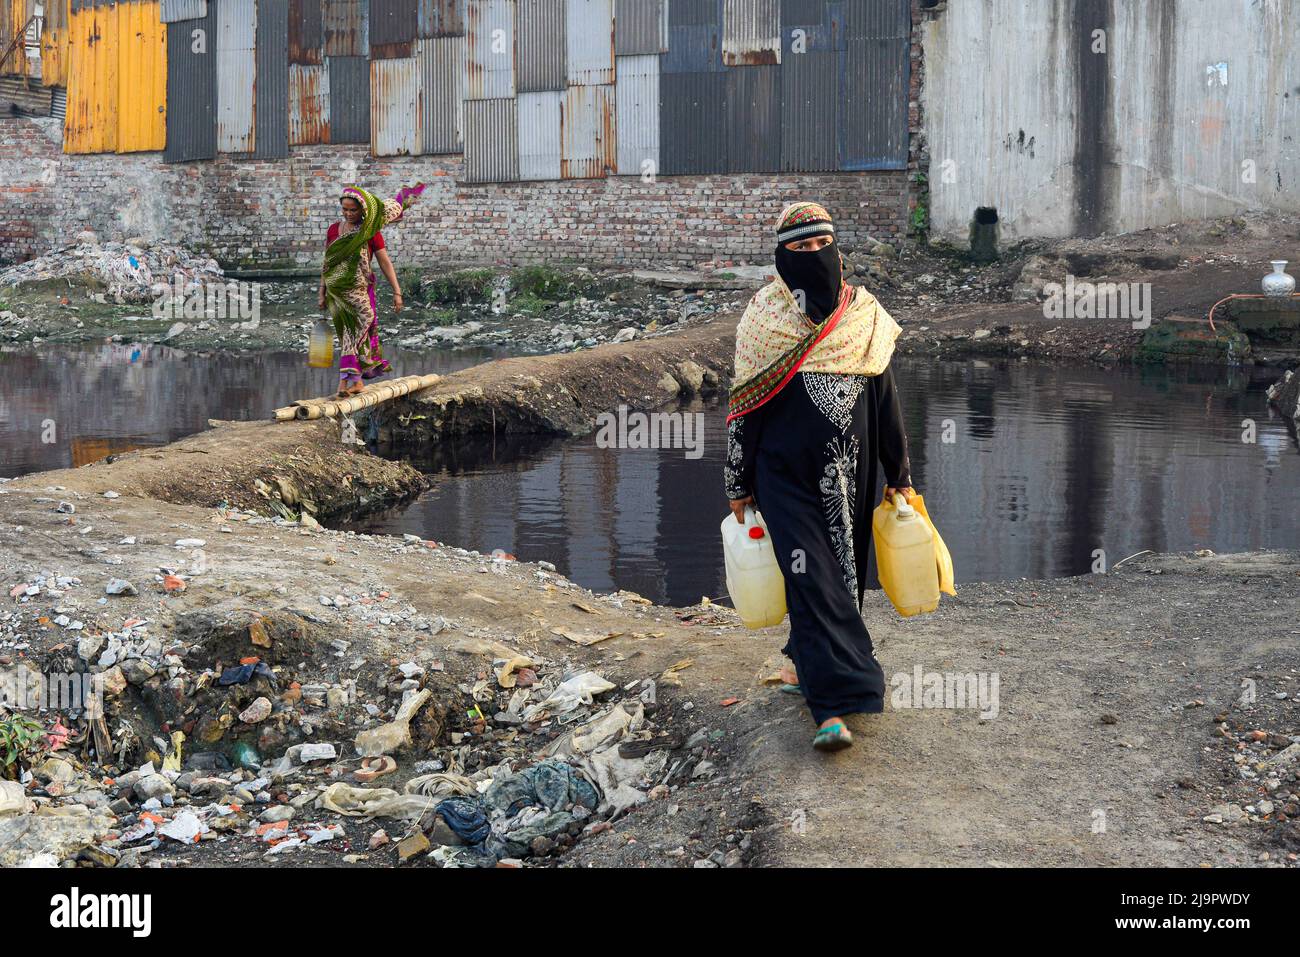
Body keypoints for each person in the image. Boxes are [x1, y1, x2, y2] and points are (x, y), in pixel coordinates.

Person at [724, 202, 916, 753]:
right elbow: (743, 409)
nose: (814, 256)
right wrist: (738, 480)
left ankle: (800, 658)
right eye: (801, 248)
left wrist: (898, 472)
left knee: (846, 577)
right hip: (782, 478)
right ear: (782, 257)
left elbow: (886, 400)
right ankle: (835, 706)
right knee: (813, 580)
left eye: (821, 246)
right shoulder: (763, 320)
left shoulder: (864, 317)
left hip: (847, 476)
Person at [318, 184, 425, 397]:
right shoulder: (333, 230)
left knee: (357, 328)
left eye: (353, 210)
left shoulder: (370, 233)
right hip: (336, 291)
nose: (348, 214)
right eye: (345, 210)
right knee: (353, 329)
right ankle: (352, 381)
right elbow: (327, 263)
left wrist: (397, 292)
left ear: (363, 211)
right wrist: (320, 292)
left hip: (359, 288)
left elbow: (385, 262)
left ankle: (347, 381)